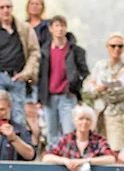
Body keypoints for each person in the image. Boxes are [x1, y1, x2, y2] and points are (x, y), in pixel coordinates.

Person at [36, 15, 87, 144]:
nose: (60, 29)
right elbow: (40, 75)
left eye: (62, 26)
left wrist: (74, 87)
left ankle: (70, 158)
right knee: (51, 134)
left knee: (69, 133)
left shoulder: (75, 50)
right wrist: (40, 98)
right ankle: (52, 160)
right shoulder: (45, 51)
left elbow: (84, 72)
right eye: (57, 26)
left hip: (67, 96)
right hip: (49, 97)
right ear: (51, 28)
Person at [81, 32, 124, 150]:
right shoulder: (99, 66)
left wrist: (101, 89)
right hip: (99, 114)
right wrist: (99, 89)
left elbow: (121, 93)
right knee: (98, 150)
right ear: (107, 47)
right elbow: (86, 88)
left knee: (115, 150)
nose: (116, 49)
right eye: (113, 46)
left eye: (120, 46)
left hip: (118, 115)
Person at [0, 0, 39, 127]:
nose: (5, 10)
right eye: (2, 7)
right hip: (0, 76)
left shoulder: (24, 29)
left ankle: (18, 147)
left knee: (19, 117)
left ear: (12, 8)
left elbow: (34, 52)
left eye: (8, 7)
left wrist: (26, 73)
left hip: (18, 78)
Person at [22, 0, 49, 142]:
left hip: (40, 75)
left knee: (35, 115)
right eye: (32, 3)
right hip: (23, 75)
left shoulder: (46, 27)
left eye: (38, 4)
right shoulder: (21, 25)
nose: (35, 6)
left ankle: (36, 144)